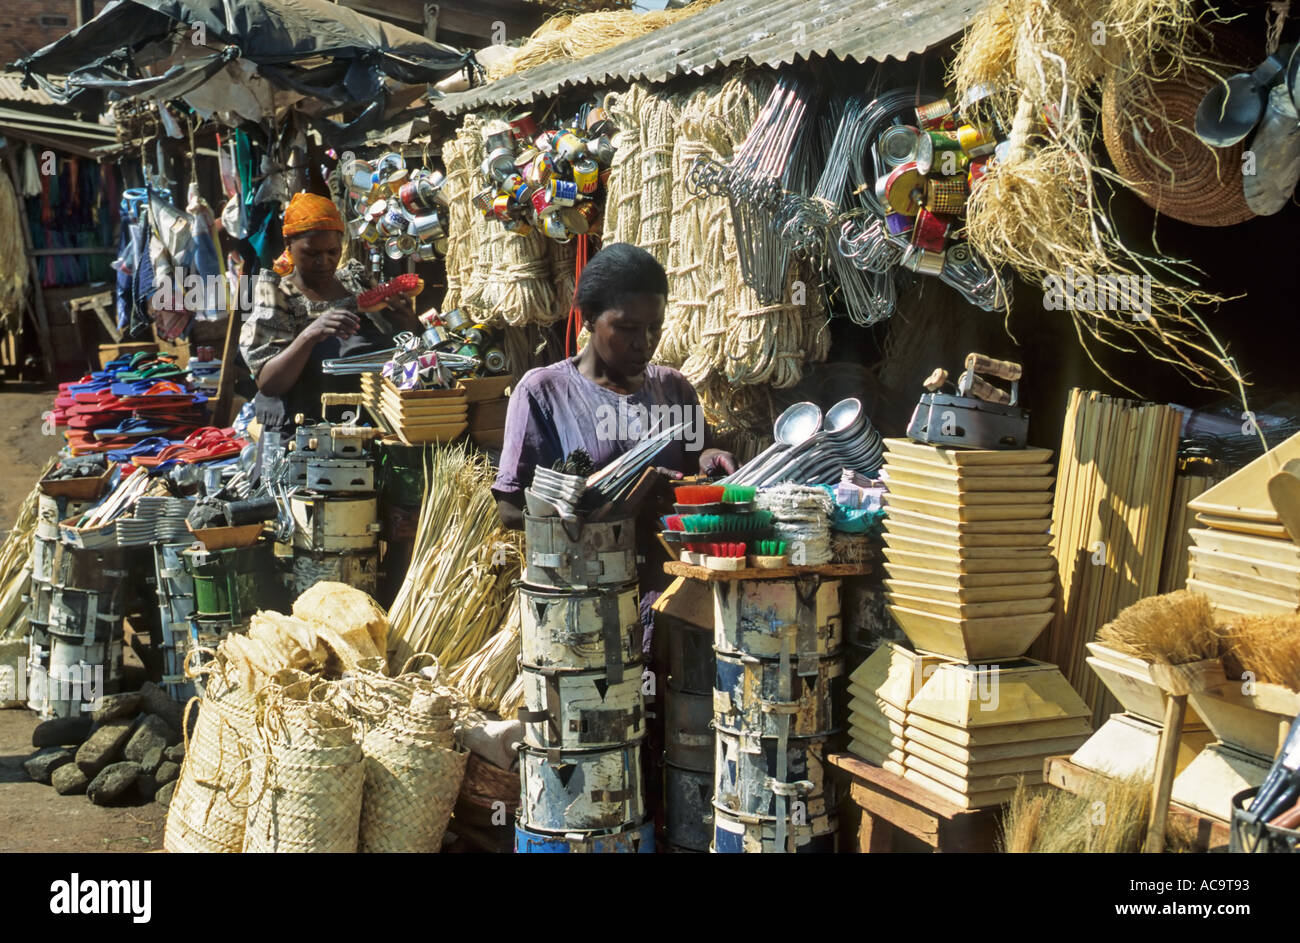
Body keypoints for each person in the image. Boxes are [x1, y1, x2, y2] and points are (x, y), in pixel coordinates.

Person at [493, 242, 736, 530]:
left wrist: (710, 458)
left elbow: (697, 463)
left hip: (673, 568)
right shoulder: (543, 392)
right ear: (589, 318)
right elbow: (511, 510)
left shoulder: (674, 388)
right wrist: (612, 503)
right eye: (627, 328)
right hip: (587, 569)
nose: (644, 342)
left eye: (654, 327)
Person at [239, 192, 421, 434]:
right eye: (312, 253)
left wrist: (406, 323)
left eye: (332, 252)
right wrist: (309, 335)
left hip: (368, 427)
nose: (323, 261)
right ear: (289, 246)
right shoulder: (278, 299)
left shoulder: (356, 283)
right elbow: (269, 383)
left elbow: (398, 354)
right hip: (303, 436)